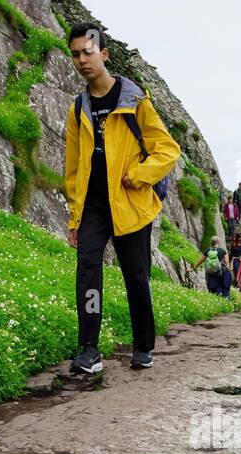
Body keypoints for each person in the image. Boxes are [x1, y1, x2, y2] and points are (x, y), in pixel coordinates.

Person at [64, 21, 180, 373]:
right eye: (74, 54)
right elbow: (73, 167)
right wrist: (74, 216)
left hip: (130, 204)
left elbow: (167, 149)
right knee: (88, 273)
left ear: (104, 53)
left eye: (87, 52)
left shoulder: (134, 99)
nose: (82, 60)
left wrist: (140, 175)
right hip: (94, 208)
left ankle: (143, 346)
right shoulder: (77, 108)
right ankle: (88, 349)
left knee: (136, 275)